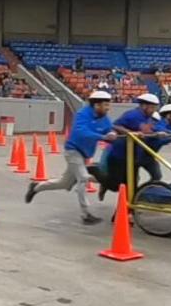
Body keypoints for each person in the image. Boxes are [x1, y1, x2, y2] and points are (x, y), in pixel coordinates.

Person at [25, 91, 117, 225]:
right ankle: (86, 214)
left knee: (64, 183)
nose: (108, 108)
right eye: (105, 105)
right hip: (73, 151)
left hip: (85, 154)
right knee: (83, 178)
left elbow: (109, 129)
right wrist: (102, 137)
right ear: (96, 105)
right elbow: (81, 132)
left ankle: (36, 187)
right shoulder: (82, 114)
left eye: (108, 105)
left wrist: (112, 133)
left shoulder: (104, 118)